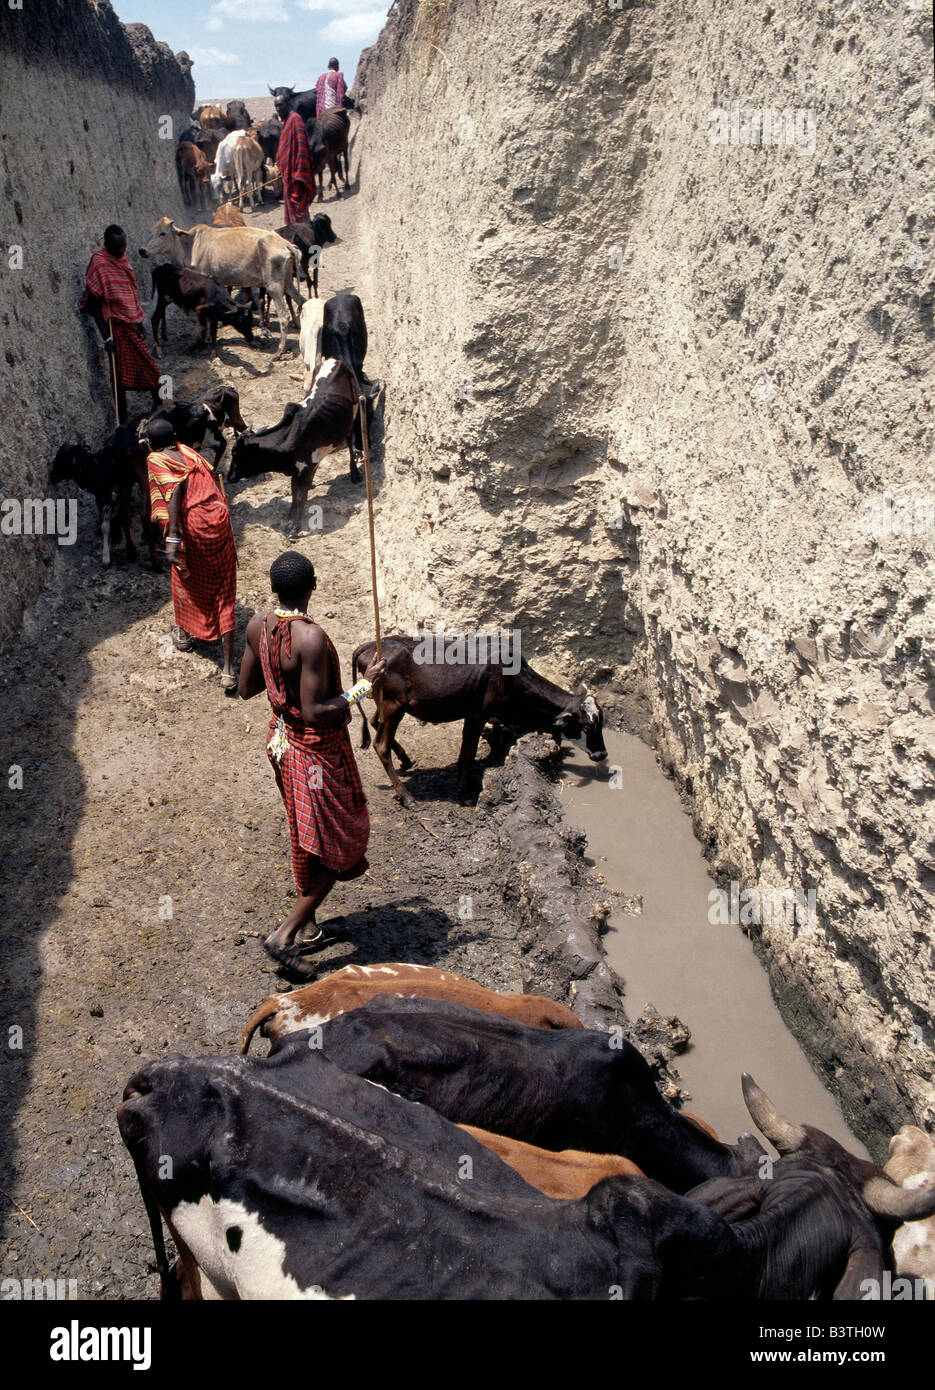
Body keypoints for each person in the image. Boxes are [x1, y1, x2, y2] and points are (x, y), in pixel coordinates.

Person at [238, 552, 385, 975]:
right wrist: (362, 687)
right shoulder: (310, 638)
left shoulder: (258, 625)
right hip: (314, 753)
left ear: (273, 588)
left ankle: (308, 928)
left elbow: (247, 689)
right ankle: (284, 935)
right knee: (343, 843)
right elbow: (317, 710)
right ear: (314, 585)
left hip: (279, 743)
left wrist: (276, 675)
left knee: (306, 834)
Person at [145, 418, 238, 688]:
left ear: (151, 444)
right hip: (220, 519)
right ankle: (229, 669)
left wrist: (173, 537)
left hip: (195, 524)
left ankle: (184, 632)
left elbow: (173, 493)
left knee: (184, 576)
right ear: (174, 436)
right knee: (224, 589)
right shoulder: (188, 452)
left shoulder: (156, 459)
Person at [82, 225, 160, 423]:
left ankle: (158, 405)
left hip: (132, 323)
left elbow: (130, 294)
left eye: (124, 246)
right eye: (117, 247)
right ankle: (122, 420)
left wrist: (138, 320)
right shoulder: (99, 263)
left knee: (150, 368)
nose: (121, 251)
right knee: (119, 379)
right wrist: (106, 338)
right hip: (115, 327)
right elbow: (93, 306)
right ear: (107, 245)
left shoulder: (123, 260)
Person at [274, 97, 315, 223]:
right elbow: (285, 148)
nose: (278, 109)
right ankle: (297, 236)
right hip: (289, 175)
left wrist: (298, 172)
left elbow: (302, 150)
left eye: (280, 105)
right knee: (293, 209)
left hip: (297, 175)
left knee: (299, 207)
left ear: (288, 104)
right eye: (276, 106)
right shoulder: (287, 122)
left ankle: (306, 236)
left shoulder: (295, 120)